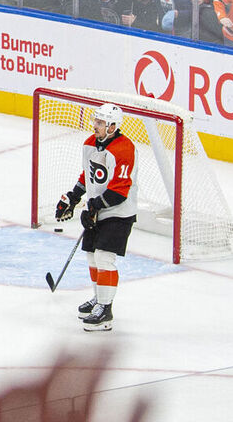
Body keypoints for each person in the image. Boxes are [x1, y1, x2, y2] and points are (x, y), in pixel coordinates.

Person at [55, 103, 138, 332]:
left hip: (118, 213)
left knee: (104, 258)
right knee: (92, 257)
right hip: (98, 209)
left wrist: (93, 206)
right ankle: (98, 298)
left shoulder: (124, 149)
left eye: (101, 123)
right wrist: (73, 197)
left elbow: (120, 191)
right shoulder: (89, 144)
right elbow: (87, 175)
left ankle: (105, 309)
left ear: (113, 126)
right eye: (96, 121)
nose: (96, 126)